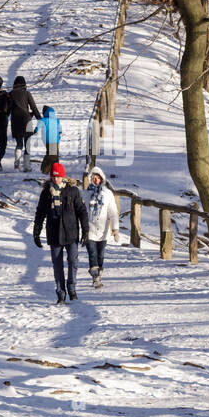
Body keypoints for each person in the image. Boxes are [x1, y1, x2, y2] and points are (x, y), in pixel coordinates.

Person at [33, 162, 89, 304]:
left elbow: (82, 211)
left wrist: (85, 230)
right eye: (53, 177)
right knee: (57, 265)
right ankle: (61, 293)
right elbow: (40, 212)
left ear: (63, 176)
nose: (56, 179)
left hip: (71, 232)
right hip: (54, 233)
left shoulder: (72, 190)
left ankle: (72, 288)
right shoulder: (46, 193)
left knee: (73, 261)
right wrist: (36, 231)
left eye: (58, 177)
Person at [84, 166, 120, 288]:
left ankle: (99, 274)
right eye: (93, 178)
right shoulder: (85, 194)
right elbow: (81, 211)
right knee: (92, 255)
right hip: (89, 231)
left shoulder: (108, 194)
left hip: (103, 231)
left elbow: (113, 212)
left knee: (100, 255)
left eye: (97, 178)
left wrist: (115, 229)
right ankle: (95, 278)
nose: (95, 180)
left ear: (102, 179)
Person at [9, 76, 41, 170]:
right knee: (27, 144)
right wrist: (39, 118)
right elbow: (33, 107)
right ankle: (26, 166)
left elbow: (7, 109)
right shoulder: (27, 93)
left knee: (19, 144)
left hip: (15, 121)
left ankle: (17, 163)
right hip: (26, 120)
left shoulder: (10, 94)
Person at [38, 105, 61, 173]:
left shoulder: (47, 120)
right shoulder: (50, 120)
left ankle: (53, 170)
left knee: (53, 156)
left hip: (53, 140)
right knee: (53, 156)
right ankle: (46, 170)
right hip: (52, 140)